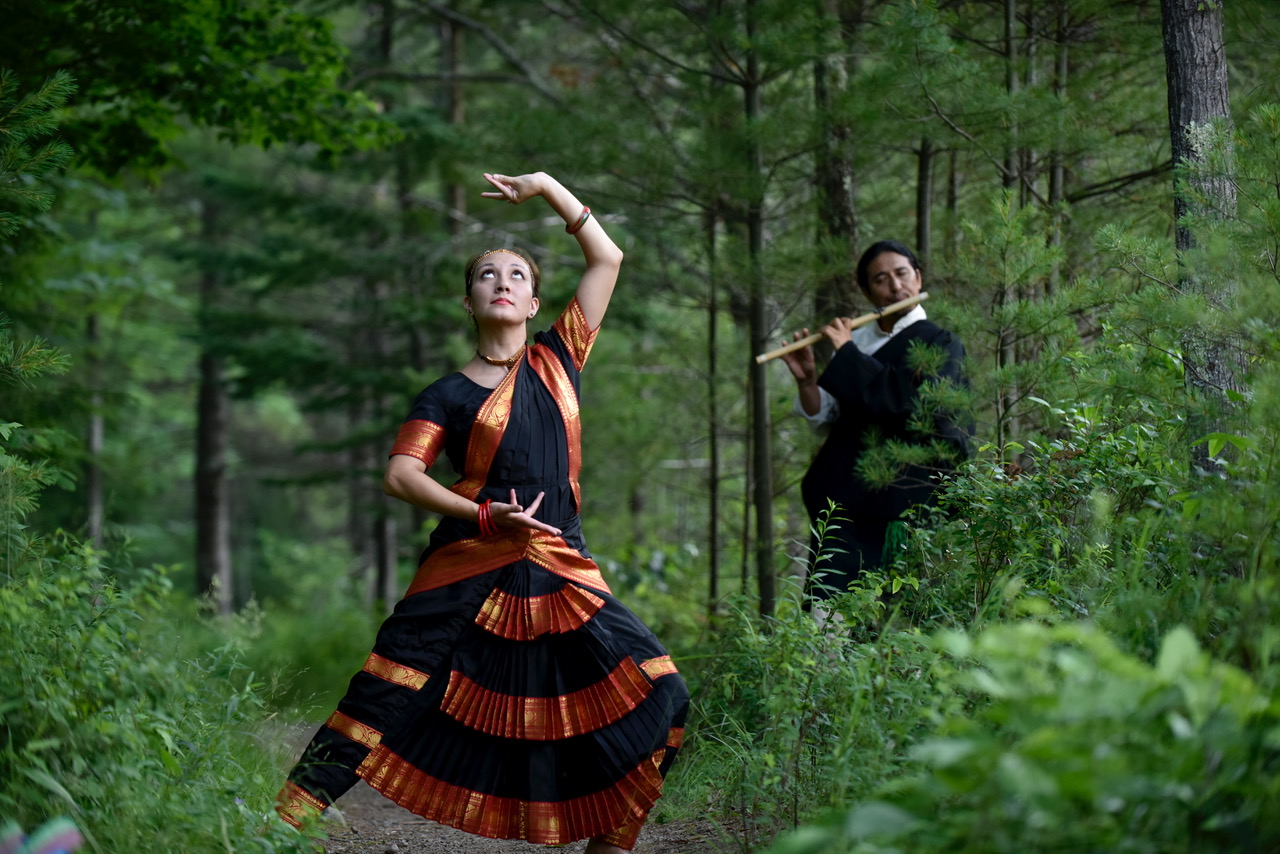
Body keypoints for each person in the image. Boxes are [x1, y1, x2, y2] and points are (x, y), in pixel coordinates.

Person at [275, 172, 690, 854]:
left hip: (563, 569)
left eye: (518, 274)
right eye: (486, 274)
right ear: (468, 302)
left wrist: (547, 187)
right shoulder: (443, 395)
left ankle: (609, 846)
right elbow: (400, 476)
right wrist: (488, 516)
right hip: (466, 569)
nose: (503, 281)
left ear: (533, 301)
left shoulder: (560, 360)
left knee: (661, 696)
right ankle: (276, 830)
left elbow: (606, 257)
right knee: (381, 698)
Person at [780, 239, 970, 602]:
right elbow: (828, 418)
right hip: (845, 509)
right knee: (830, 621)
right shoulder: (859, 341)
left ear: (917, 276)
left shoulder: (941, 343)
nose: (895, 286)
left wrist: (847, 354)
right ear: (867, 291)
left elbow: (910, 406)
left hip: (901, 510)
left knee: (894, 619)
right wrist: (808, 381)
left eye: (902, 274)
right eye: (881, 280)